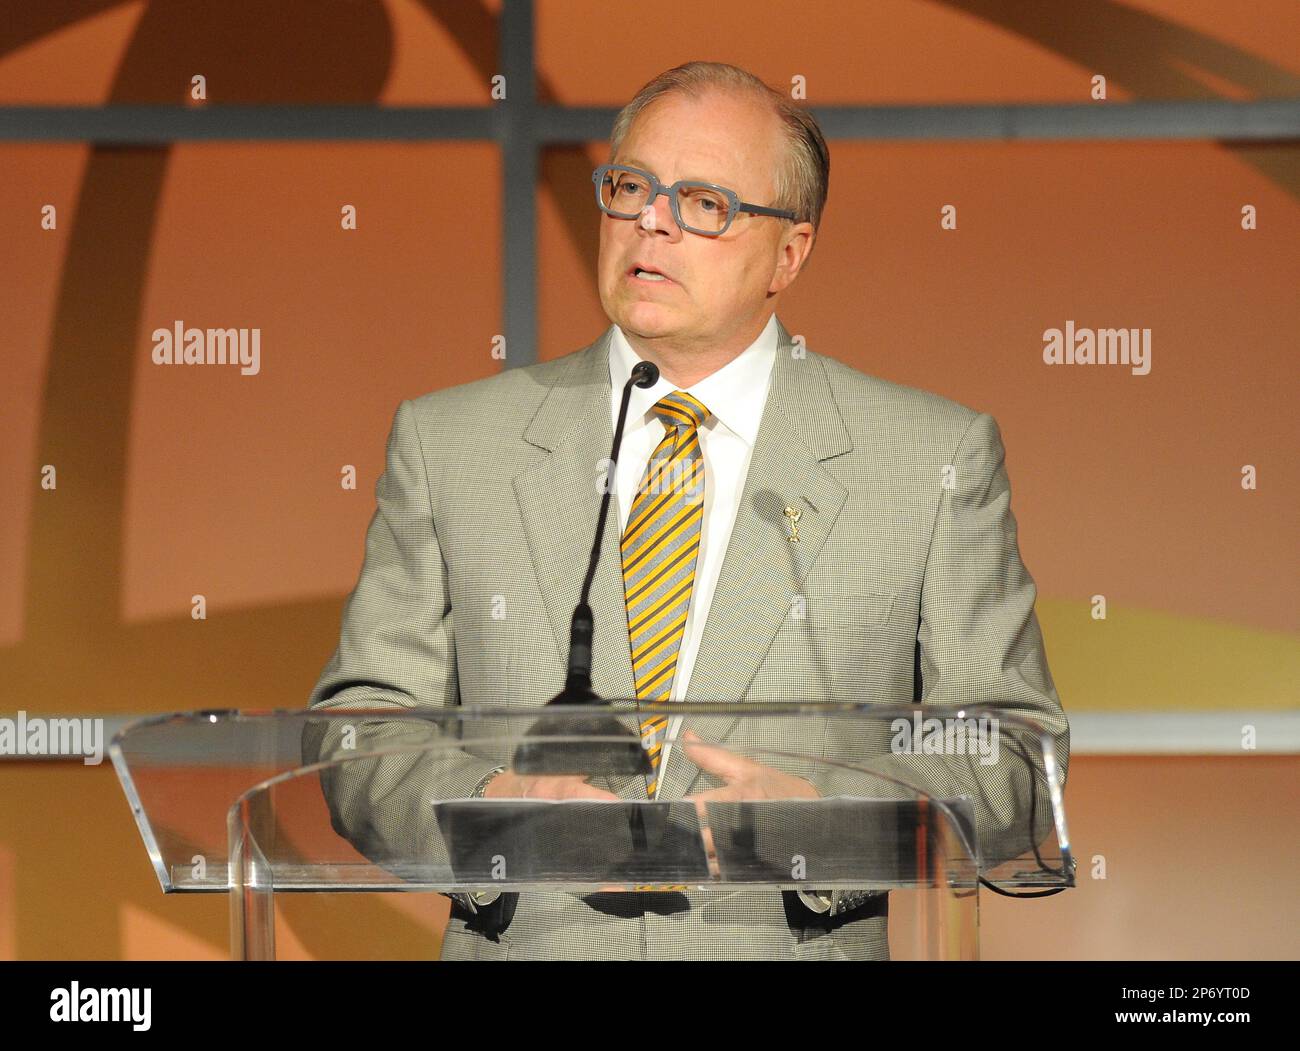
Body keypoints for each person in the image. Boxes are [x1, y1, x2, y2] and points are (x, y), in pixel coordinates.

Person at [307, 61, 1069, 960]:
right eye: (629, 187)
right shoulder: (451, 443)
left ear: (790, 253)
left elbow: (1014, 755)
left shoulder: (931, 459)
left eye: (704, 202)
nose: (651, 220)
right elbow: (362, 732)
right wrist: (493, 814)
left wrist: (832, 824)